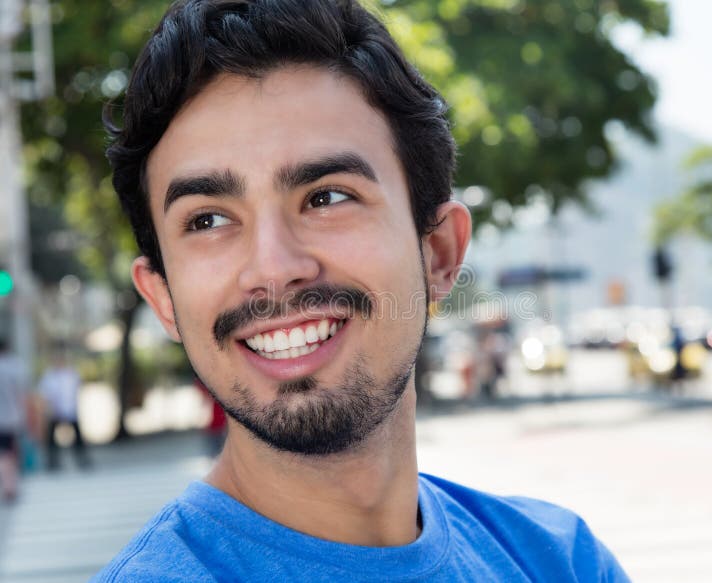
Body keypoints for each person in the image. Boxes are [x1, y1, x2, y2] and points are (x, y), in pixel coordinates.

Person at [93, 1, 629, 580]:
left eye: (326, 197)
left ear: (439, 253)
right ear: (163, 299)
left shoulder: (559, 561)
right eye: (207, 221)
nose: (273, 269)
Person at [38, 345, 90, 470]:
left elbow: (77, 389)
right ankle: (53, 464)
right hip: (55, 412)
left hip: (70, 410)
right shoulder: (49, 376)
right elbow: (45, 394)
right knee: (52, 440)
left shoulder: (71, 374)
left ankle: (83, 462)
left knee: (78, 439)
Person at [0, 339, 26, 502]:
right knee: (8, 453)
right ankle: (10, 486)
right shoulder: (14, 366)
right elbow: (21, 394)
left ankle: (8, 485)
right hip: (10, 418)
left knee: (5, 453)